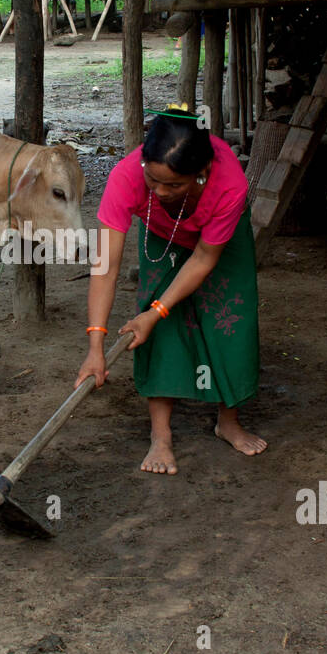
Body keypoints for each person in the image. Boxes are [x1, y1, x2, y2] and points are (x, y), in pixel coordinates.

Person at [76, 105, 267, 475]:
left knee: (230, 319)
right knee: (155, 330)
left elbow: (203, 259)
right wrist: (95, 345)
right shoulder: (126, 177)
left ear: (202, 173)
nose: (160, 192)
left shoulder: (230, 184)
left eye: (174, 185)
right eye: (153, 181)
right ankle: (160, 436)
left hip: (217, 244)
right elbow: (105, 266)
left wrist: (157, 310)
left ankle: (228, 422)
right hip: (162, 238)